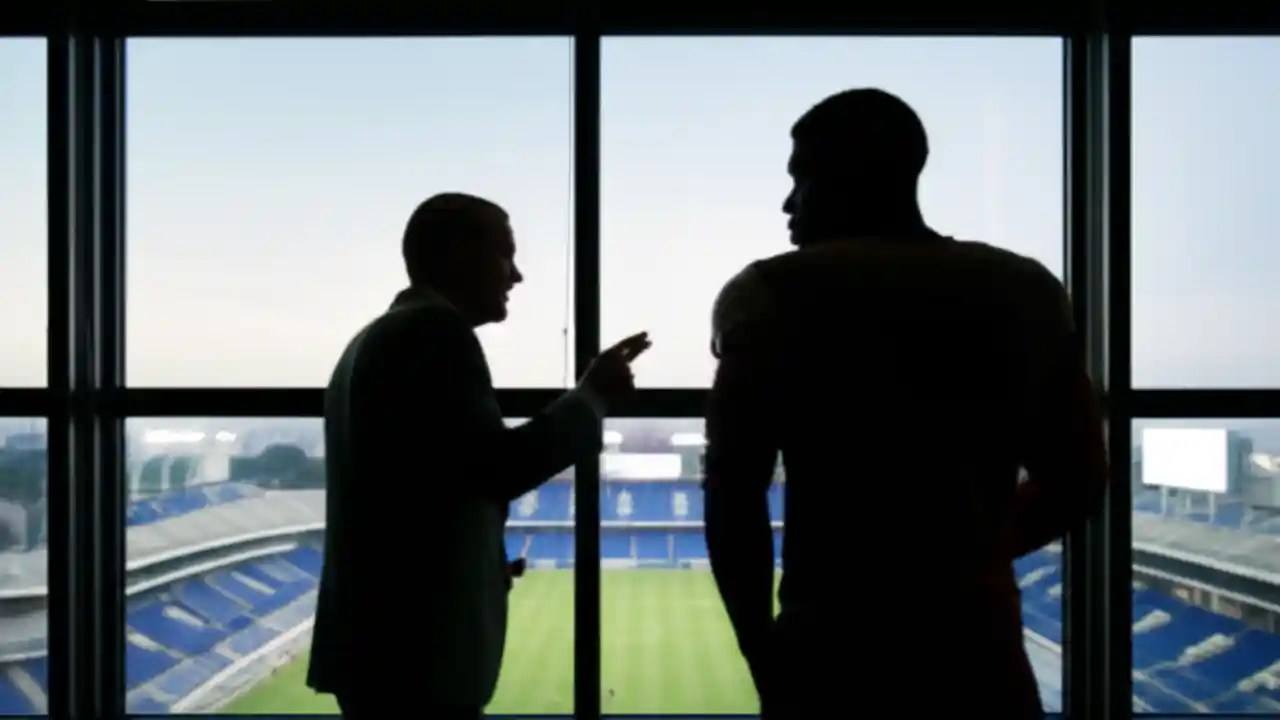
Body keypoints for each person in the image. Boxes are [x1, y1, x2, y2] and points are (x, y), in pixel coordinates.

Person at [702, 88, 1108, 718]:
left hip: (831, 648)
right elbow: (1078, 479)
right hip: (979, 652)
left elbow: (733, 495)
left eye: (801, 178)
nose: (788, 202)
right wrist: (968, 554)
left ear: (844, 178)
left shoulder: (767, 294)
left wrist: (762, 652)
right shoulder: (1024, 290)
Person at [306, 192, 650, 718]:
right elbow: (498, 468)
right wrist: (592, 397)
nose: (517, 275)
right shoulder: (434, 332)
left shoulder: (372, 341)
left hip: (378, 644)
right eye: (505, 254)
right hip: (416, 653)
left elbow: (426, 485)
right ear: (456, 253)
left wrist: (476, 565)